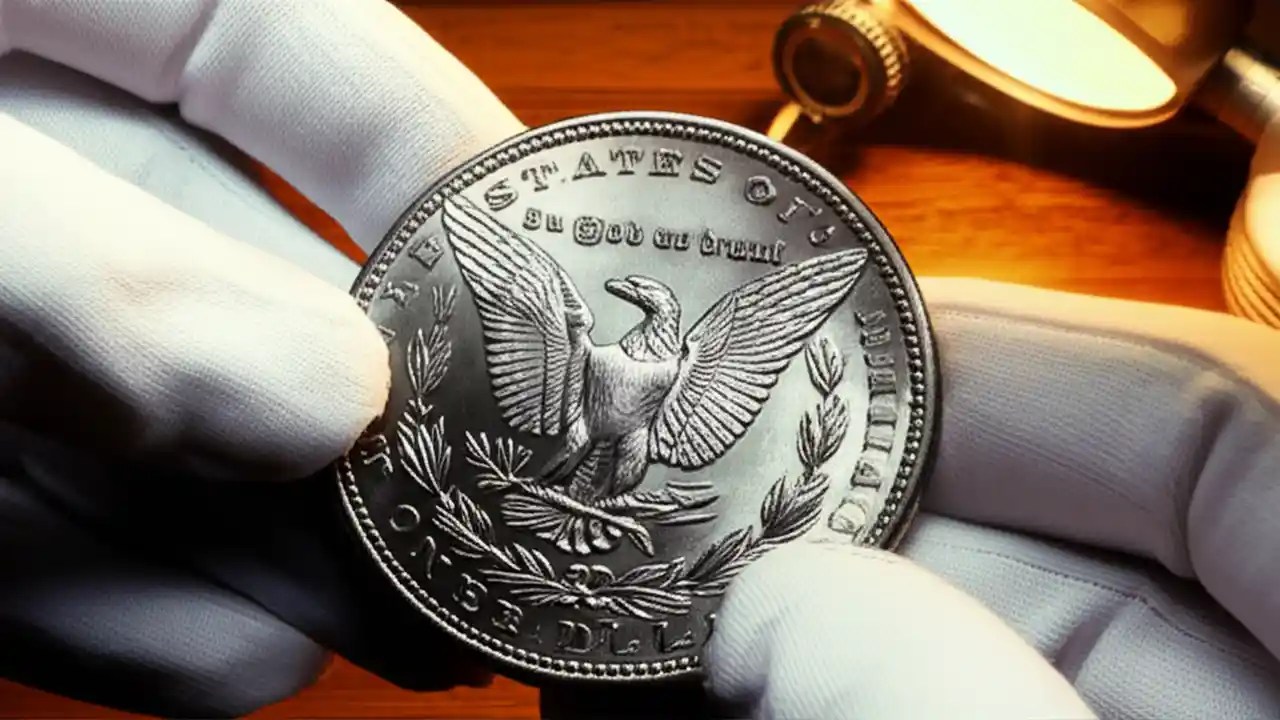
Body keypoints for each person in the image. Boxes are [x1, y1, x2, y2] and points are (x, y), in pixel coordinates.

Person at [0, 1, 1276, 718]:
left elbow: (767, 322)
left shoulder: (699, 357)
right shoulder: (569, 336)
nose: (645, 325)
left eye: (655, 321)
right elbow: (541, 304)